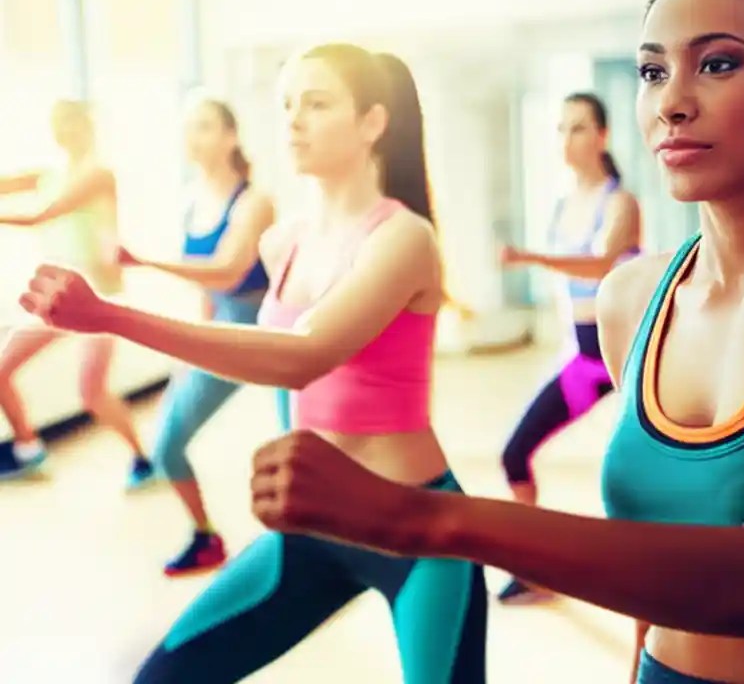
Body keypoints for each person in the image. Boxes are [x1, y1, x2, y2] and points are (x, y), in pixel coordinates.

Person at [30, 0, 744, 682]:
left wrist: (420, 517)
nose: (671, 99)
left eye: (717, 63)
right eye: (652, 71)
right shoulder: (632, 299)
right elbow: (652, 558)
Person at [21, 46, 487, 682]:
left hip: (417, 531)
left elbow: (304, 356)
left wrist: (112, 315)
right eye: (287, 104)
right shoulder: (284, 239)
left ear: (373, 122)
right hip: (314, 524)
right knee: (159, 677)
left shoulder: (403, 238)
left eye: (317, 104)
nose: (293, 119)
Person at [116, 97, 276, 576]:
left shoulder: (255, 201)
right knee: (166, 444)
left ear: (231, 137)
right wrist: (191, 348)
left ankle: (320, 542)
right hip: (221, 327)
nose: (194, 137)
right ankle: (205, 537)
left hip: (265, 332)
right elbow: (211, 292)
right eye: (189, 128)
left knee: (306, 440)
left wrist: (144, 261)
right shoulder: (193, 203)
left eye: (205, 127)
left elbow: (227, 271)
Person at [496, 91, 642, 604]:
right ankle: (531, 568)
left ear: (602, 136)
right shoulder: (564, 205)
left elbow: (602, 264)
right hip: (582, 363)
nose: (567, 138)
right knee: (514, 455)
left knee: (634, 483)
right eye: (561, 128)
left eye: (578, 127)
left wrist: (531, 257)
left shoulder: (620, 202)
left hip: (623, 364)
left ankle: (656, 578)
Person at [0, 100, 150, 485]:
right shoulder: (49, 173)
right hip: (56, 295)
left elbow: (40, 216)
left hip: (96, 297)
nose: (63, 130)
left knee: (92, 394)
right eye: (57, 123)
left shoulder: (98, 174)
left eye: (70, 122)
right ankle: (28, 449)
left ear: (87, 125)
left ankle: (143, 460)